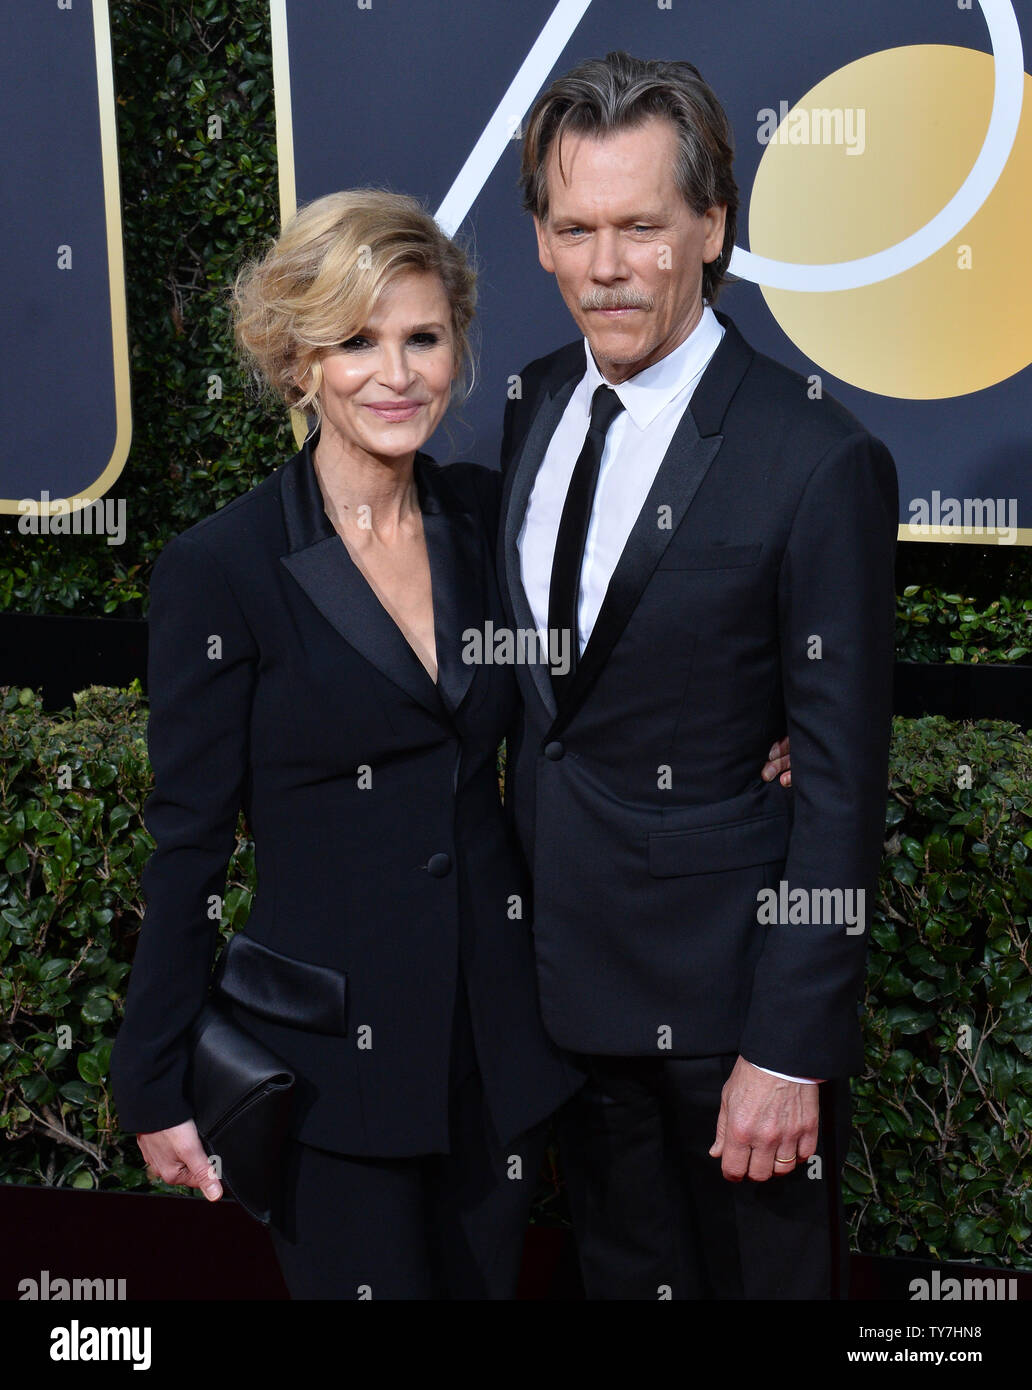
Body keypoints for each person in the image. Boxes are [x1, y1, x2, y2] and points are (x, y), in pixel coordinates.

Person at [109, 189, 591, 1300]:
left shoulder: (487, 519)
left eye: (422, 337)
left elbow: (598, 681)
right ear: (298, 362)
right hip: (326, 1071)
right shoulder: (222, 567)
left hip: (495, 1058)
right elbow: (185, 846)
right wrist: (153, 1080)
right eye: (356, 342)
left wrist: (759, 734)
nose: (397, 373)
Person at [497, 51, 898, 1299]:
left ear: (712, 227)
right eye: (575, 228)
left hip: (729, 1022)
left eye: (641, 227)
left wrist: (789, 1049)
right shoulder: (535, 402)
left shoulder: (815, 457)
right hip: (563, 999)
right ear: (542, 239)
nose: (607, 266)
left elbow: (839, 785)